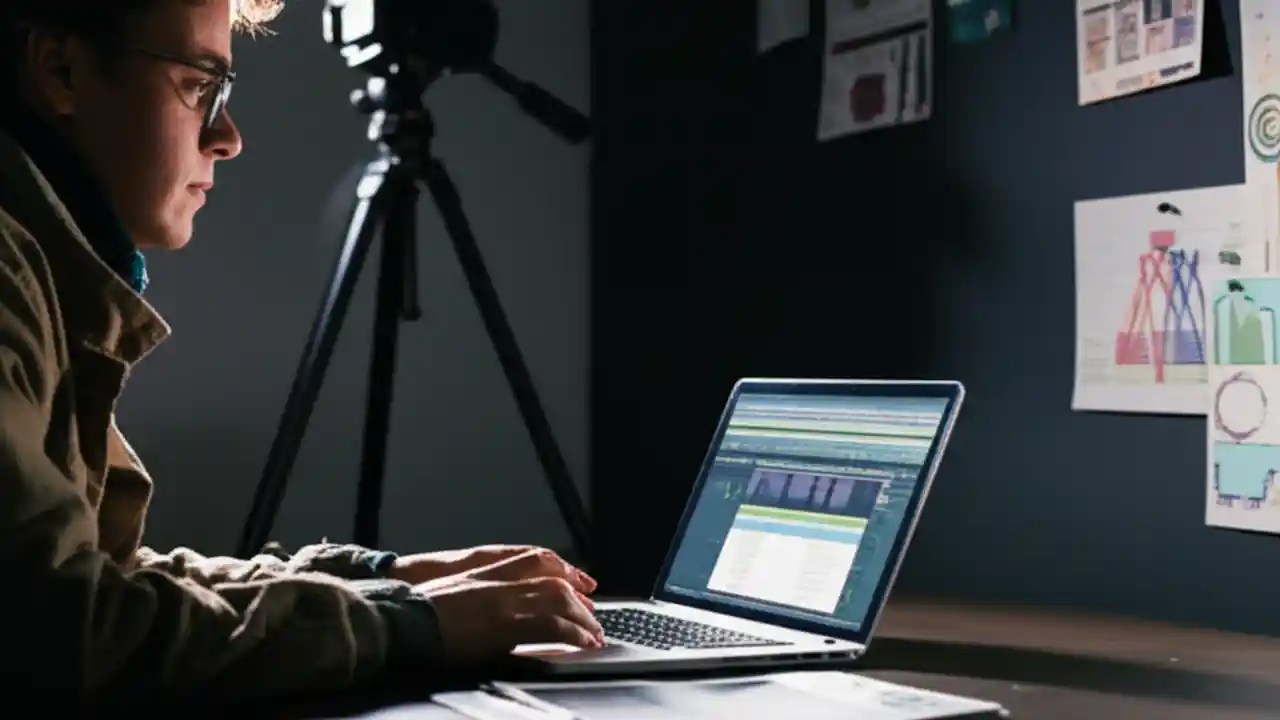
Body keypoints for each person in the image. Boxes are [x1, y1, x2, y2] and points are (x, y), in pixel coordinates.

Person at [0, 0, 604, 703]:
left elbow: (118, 580)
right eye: (201, 86)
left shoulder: (40, 265)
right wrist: (411, 625)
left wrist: (388, 580)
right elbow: (62, 635)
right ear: (61, 69)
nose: (227, 137)